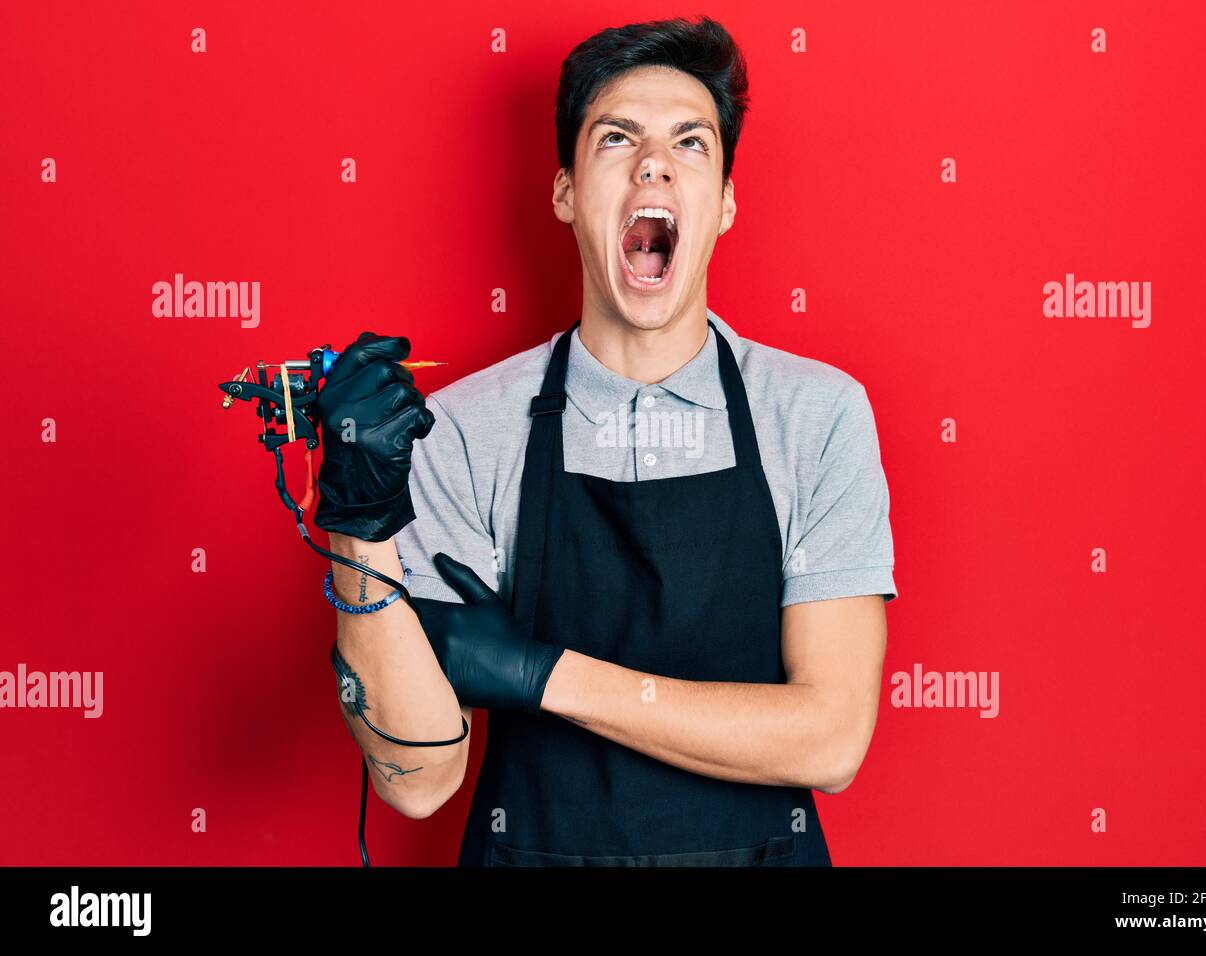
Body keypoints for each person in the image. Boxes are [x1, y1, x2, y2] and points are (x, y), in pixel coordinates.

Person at [315, 15, 896, 867]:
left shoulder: (816, 415)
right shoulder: (468, 429)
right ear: (566, 192)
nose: (653, 162)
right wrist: (356, 526)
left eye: (690, 143)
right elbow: (416, 779)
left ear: (726, 202)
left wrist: (544, 675)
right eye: (617, 137)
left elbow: (831, 739)